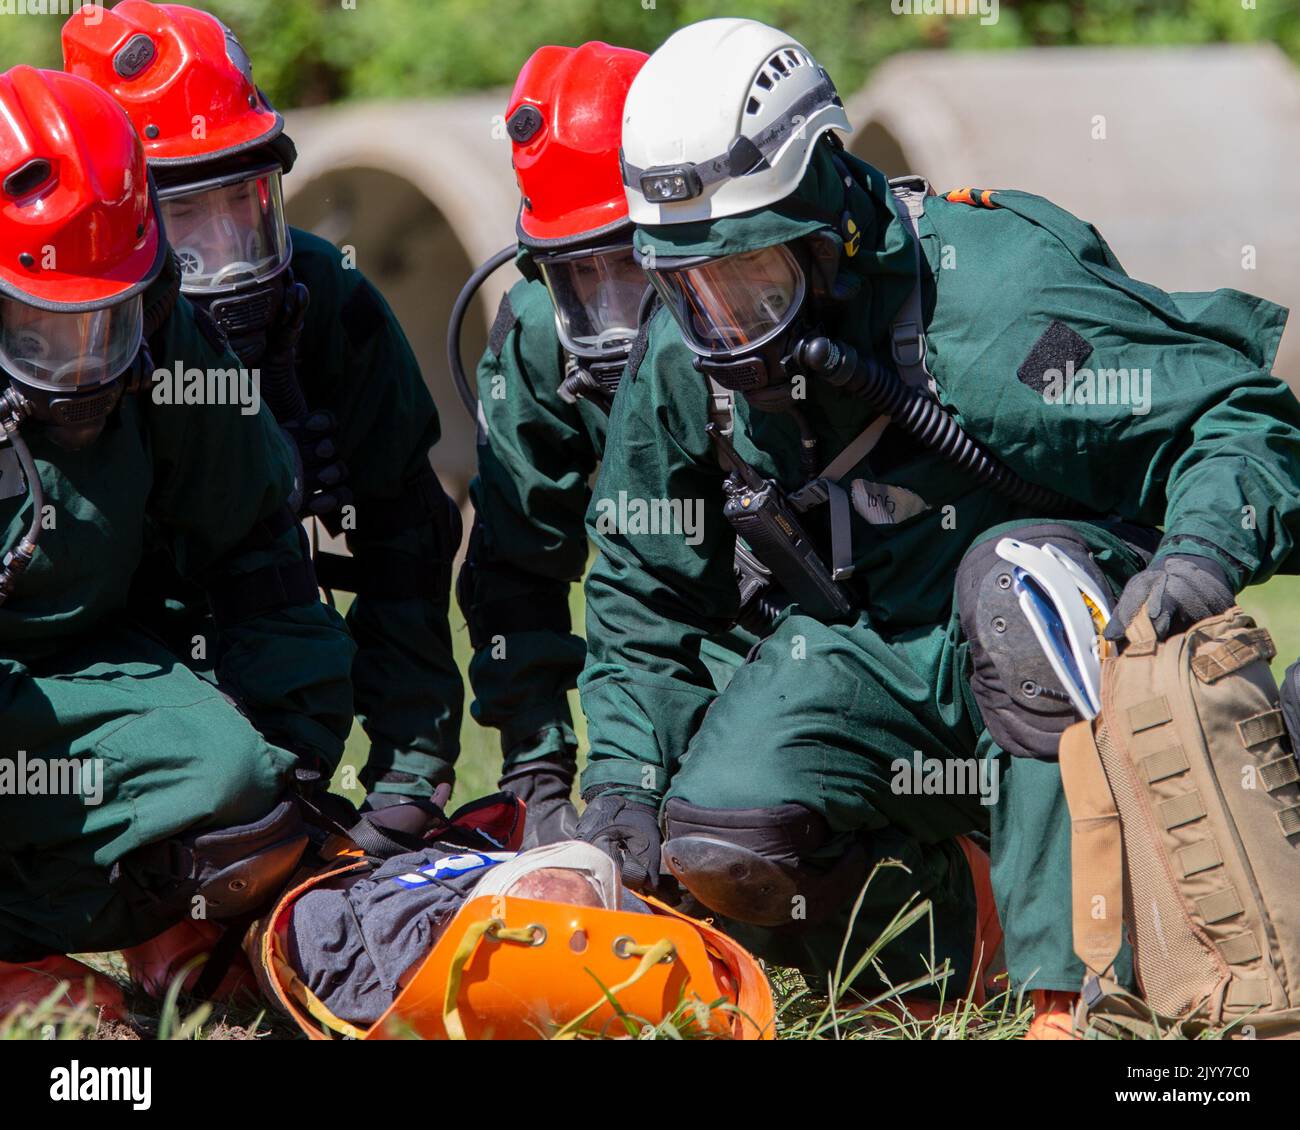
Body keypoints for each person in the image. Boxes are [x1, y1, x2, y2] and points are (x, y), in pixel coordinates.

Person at [574, 17, 1300, 1037]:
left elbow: (1232, 414)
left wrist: (1195, 558)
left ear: (824, 209)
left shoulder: (993, 299)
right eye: (686, 283)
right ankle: (964, 931)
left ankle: (1078, 990)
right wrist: (616, 791)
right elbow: (641, 590)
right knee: (723, 840)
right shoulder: (685, 352)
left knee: (1014, 583)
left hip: (1059, 621)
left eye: (747, 275)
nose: (719, 317)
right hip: (868, 644)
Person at [0, 67, 354, 1010]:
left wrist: (297, 778)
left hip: (82, 671)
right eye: (42, 330)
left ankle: (165, 925)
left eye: (107, 321)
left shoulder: (169, 338)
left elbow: (257, 557)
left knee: (241, 786)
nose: (83, 362)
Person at [63, 0, 464, 808]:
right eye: (184, 216)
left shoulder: (327, 300)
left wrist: (409, 782)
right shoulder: (62, 336)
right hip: (108, 669)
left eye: (243, 200)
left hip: (270, 635)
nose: (227, 258)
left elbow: (406, 542)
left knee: (278, 817)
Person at [459, 42, 753, 849]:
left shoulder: (763, 294)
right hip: (657, 630)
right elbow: (516, 567)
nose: (613, 311)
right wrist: (537, 777)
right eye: (578, 278)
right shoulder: (536, 337)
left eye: (629, 263)